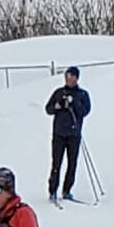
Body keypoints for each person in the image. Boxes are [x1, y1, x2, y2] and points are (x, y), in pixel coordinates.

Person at [44, 66, 91, 204]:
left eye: (71, 77)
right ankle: (53, 190)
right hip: (59, 134)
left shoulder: (82, 94)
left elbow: (85, 111)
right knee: (56, 164)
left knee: (72, 164)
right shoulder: (59, 92)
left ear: (77, 78)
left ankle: (67, 190)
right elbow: (48, 109)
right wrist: (58, 106)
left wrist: (74, 102)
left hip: (74, 135)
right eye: (67, 77)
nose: (69, 80)